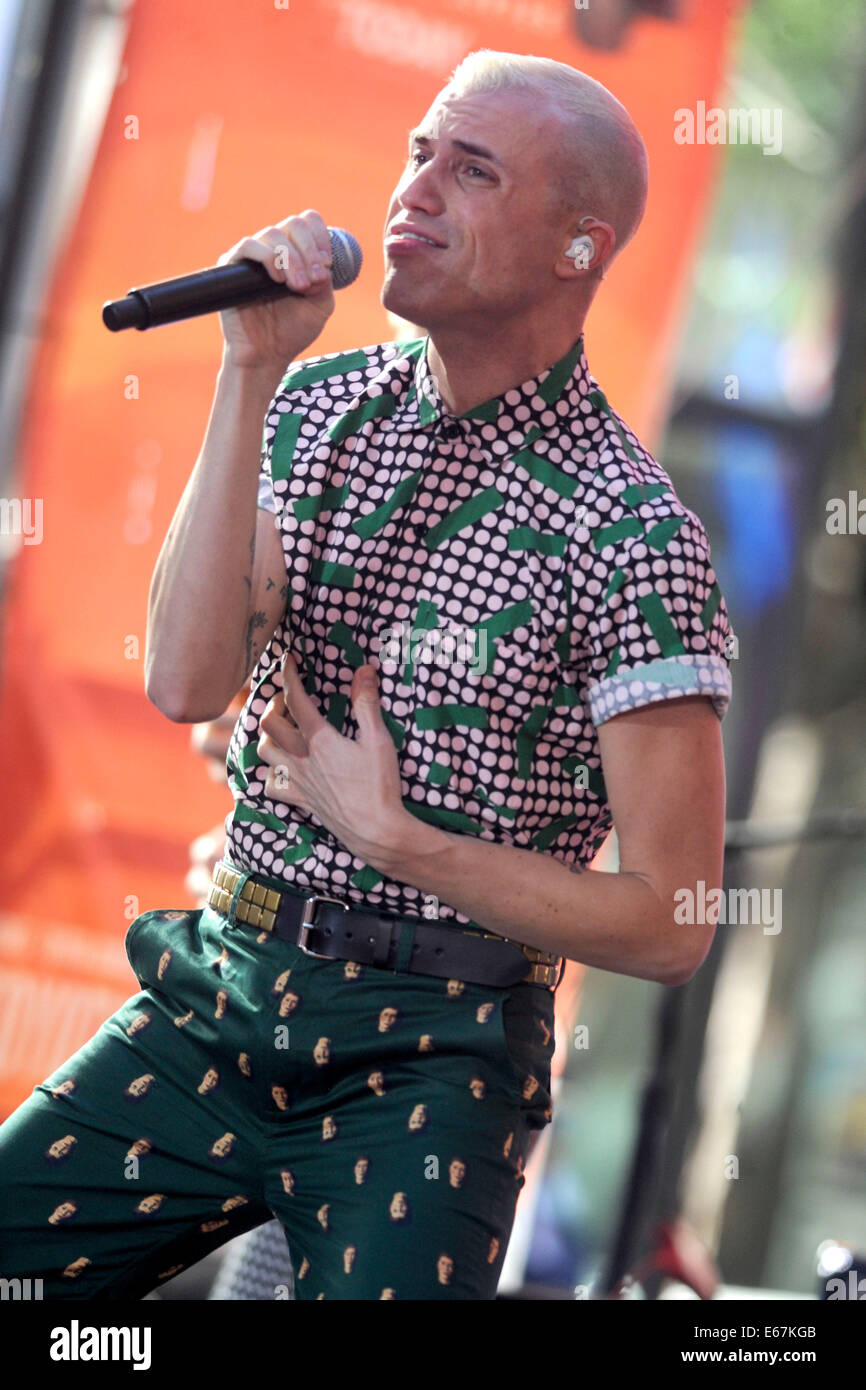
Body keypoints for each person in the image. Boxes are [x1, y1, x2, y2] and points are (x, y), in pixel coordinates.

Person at [0, 49, 732, 1301]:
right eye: (416, 153)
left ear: (576, 247)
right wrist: (248, 370)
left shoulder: (634, 534)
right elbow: (184, 680)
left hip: (435, 1060)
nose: (415, 190)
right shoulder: (317, 406)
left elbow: (672, 919)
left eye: (472, 169)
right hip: (224, 993)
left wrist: (399, 841)